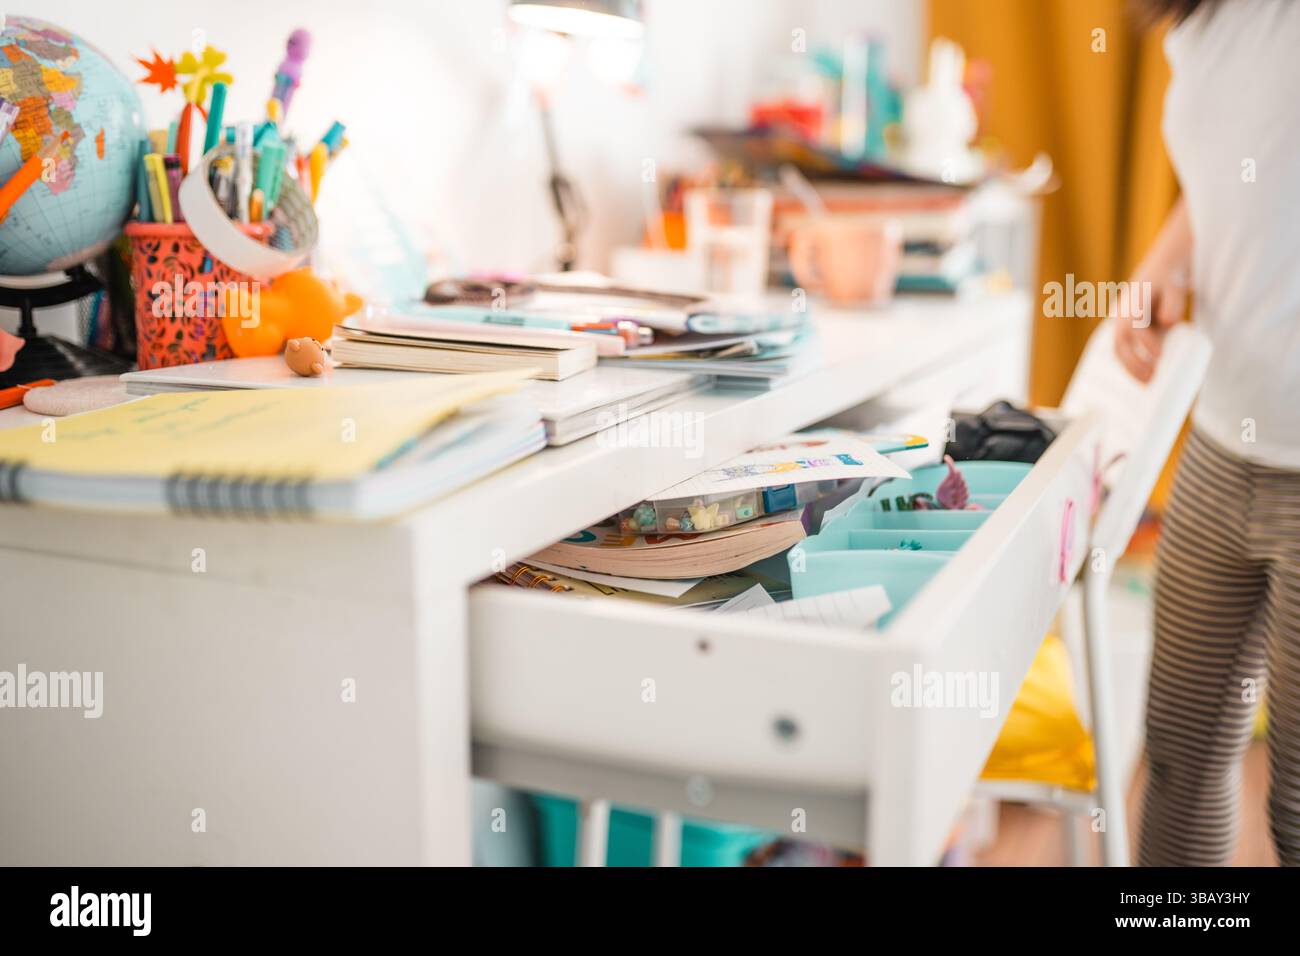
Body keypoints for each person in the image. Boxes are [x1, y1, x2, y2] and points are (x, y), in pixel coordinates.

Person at [1117, 0, 1300, 866]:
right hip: (1222, 442)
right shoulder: (1198, 19)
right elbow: (1236, 169)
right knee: (1181, 758)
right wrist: (1164, 260)